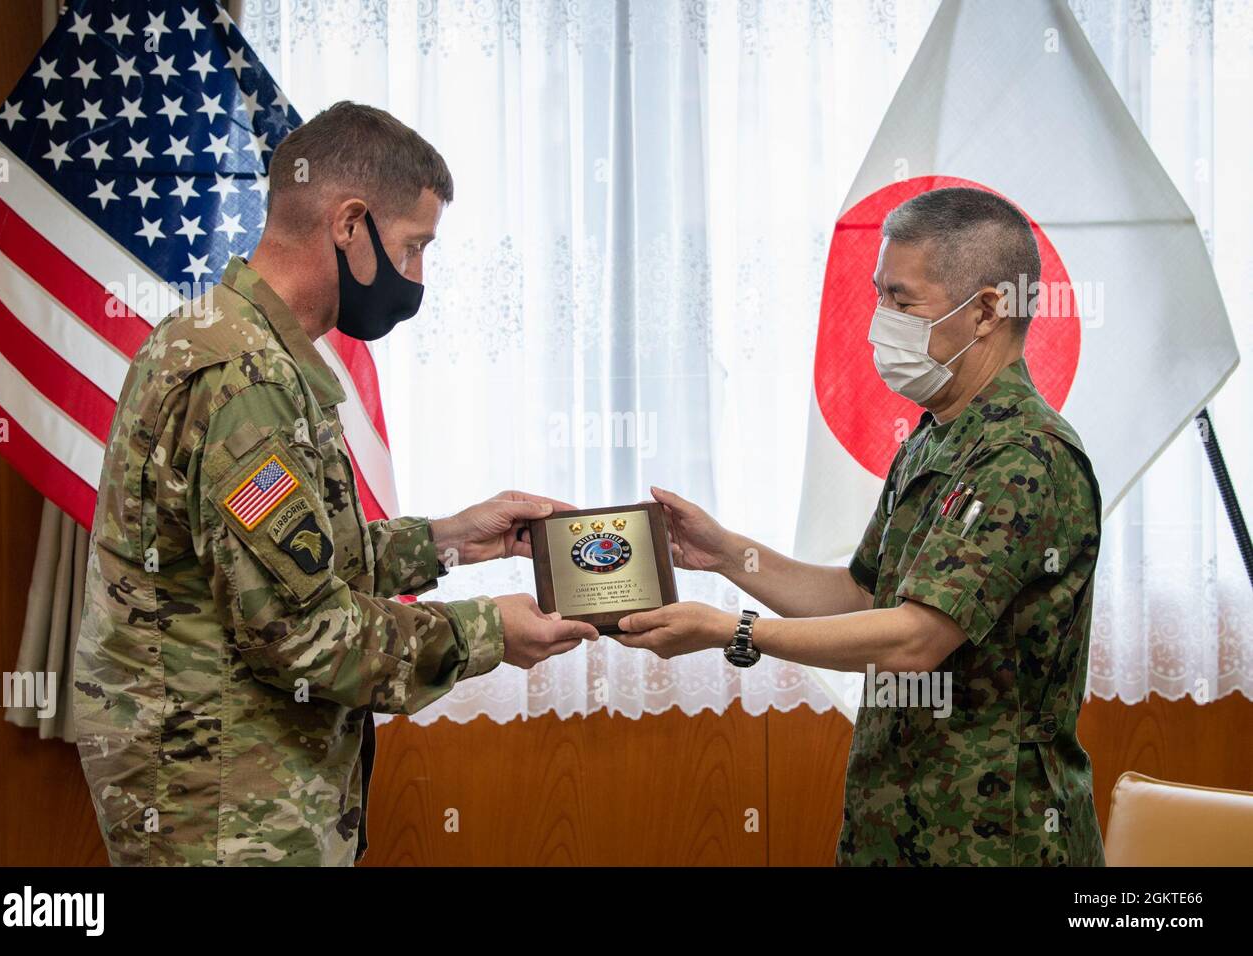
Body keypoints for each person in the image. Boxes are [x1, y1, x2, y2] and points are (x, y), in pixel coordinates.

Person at [73, 102, 596, 866]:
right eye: (414, 247)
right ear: (350, 225)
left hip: (236, 792)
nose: (416, 277)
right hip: (220, 812)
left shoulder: (238, 345)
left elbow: (293, 565)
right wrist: (489, 633)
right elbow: (306, 637)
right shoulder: (241, 379)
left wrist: (448, 541)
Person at [617, 187, 1104, 866]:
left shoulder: (1026, 455)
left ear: (989, 309)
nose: (881, 321)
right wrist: (729, 555)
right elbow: (861, 594)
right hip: (897, 828)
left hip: (997, 839)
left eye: (903, 303)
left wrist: (734, 633)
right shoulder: (936, 437)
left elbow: (915, 639)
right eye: (880, 296)